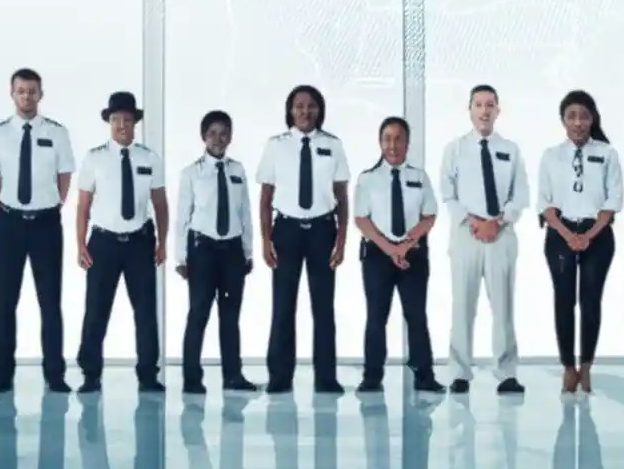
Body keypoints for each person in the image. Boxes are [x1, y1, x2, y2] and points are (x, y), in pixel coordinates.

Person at [0, 68, 76, 394]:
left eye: (32, 91)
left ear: (41, 94)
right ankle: (2, 375)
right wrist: (9, 209)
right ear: (12, 93)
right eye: (21, 91)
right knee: (6, 302)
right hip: (8, 225)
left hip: (46, 226)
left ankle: (55, 375)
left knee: (50, 302)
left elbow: (64, 181)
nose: (27, 96)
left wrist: (46, 207)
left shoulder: (57, 133)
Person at [258, 84, 349, 394]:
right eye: (299, 106)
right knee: (283, 306)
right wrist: (265, 238)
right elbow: (265, 196)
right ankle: (280, 377)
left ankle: (326, 377)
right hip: (287, 232)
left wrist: (341, 241)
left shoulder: (333, 145)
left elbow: (342, 196)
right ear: (290, 111)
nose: (305, 111)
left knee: (323, 307)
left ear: (319, 110)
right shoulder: (276, 145)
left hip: (323, 230)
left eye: (311, 106)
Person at [75, 91, 168, 394]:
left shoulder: (148, 158)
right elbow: (83, 205)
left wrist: (163, 242)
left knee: (145, 311)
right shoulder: (95, 157)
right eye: (116, 120)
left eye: (128, 120)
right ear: (109, 122)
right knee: (96, 309)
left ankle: (148, 374)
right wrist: (80, 243)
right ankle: (91, 373)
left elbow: (160, 203)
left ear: (134, 123)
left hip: (140, 243)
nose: (122, 126)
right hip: (103, 243)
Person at [439, 84, 529, 395]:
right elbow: (447, 193)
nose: (484, 110)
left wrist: (498, 221)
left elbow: (521, 196)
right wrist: (473, 221)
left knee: (503, 305)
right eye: (478, 104)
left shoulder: (511, 150)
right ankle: (460, 373)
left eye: (490, 104)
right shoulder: (456, 149)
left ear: (498, 110)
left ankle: (507, 374)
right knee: (463, 304)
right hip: (467, 233)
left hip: (501, 234)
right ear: (470, 109)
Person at [537, 89, 623, 394]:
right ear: (563, 119)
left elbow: (613, 200)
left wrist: (588, 235)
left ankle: (586, 366)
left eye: (584, 116)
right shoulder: (551, 155)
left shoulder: (607, 153)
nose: (578, 122)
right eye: (571, 116)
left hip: (596, 235)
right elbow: (544, 202)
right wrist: (567, 234)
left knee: (590, 301)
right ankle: (567, 367)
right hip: (560, 234)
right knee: (563, 301)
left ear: (592, 119)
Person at [354, 116, 445, 393]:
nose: (392, 145)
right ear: (380, 142)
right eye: (387, 138)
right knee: (376, 316)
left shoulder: (419, 177)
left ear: (407, 142)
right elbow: (361, 219)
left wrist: (406, 244)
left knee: (416, 315)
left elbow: (429, 215)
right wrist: (390, 248)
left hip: (413, 254)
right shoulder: (368, 179)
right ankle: (372, 376)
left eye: (398, 138)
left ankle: (424, 374)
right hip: (377, 255)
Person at [174, 110, 259, 394]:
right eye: (212, 133)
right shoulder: (192, 173)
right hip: (203, 250)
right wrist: (181, 257)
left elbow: (245, 212)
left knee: (230, 315)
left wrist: (248, 251)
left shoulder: (238, 171)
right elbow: (182, 217)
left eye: (223, 133)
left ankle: (233, 375)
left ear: (231, 137)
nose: (218, 139)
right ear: (203, 137)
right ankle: (191, 378)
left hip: (232, 251)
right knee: (199, 312)